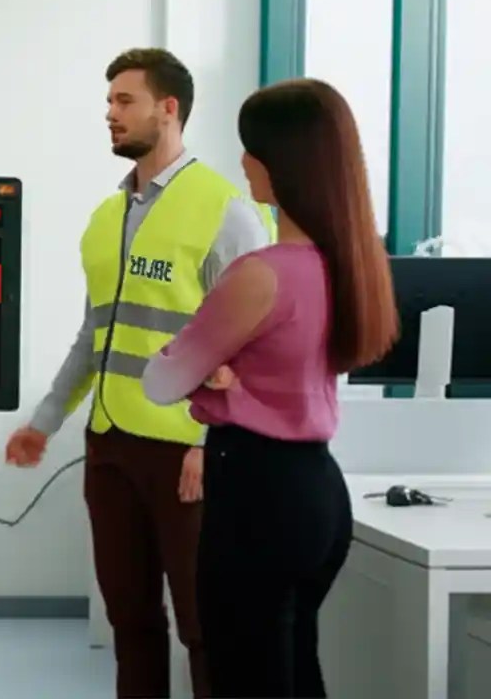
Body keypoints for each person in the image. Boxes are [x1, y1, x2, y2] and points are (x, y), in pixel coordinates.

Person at [4, 47, 274, 698]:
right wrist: (44, 422)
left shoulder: (225, 210)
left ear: (169, 108)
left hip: (186, 452)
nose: (110, 114)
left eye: (124, 101)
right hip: (111, 446)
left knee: (205, 627)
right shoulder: (108, 218)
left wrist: (210, 445)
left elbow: (259, 344)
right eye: (109, 103)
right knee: (131, 623)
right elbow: (94, 338)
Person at [141, 77, 397, 698]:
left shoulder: (260, 275)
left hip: (257, 492)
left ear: (276, 163)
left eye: (249, 147)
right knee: (294, 671)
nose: (242, 161)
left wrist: (211, 375)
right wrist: (220, 372)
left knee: (245, 677)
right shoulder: (351, 267)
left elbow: (160, 379)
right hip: (317, 496)